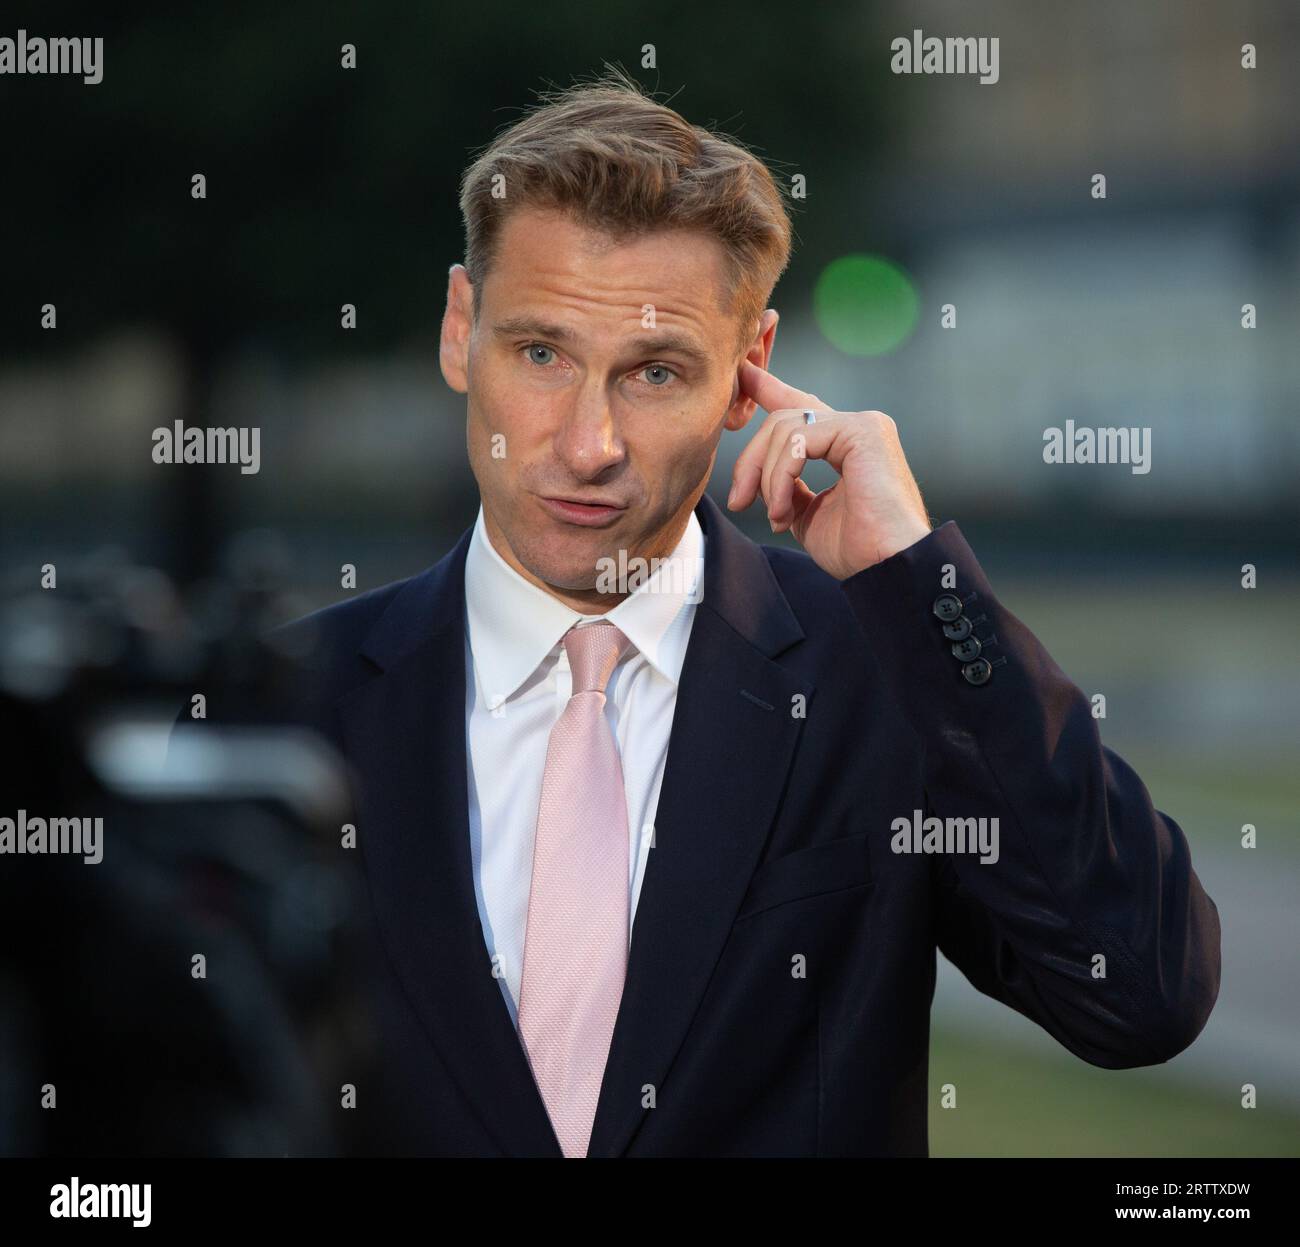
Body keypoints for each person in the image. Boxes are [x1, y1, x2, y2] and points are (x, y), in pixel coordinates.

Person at [271, 68, 1220, 1157]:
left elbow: (1140, 993)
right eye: (541, 354)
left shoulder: (879, 666)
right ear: (458, 331)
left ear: (746, 373)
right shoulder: (290, 702)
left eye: (655, 372)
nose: (588, 444)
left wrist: (921, 584)